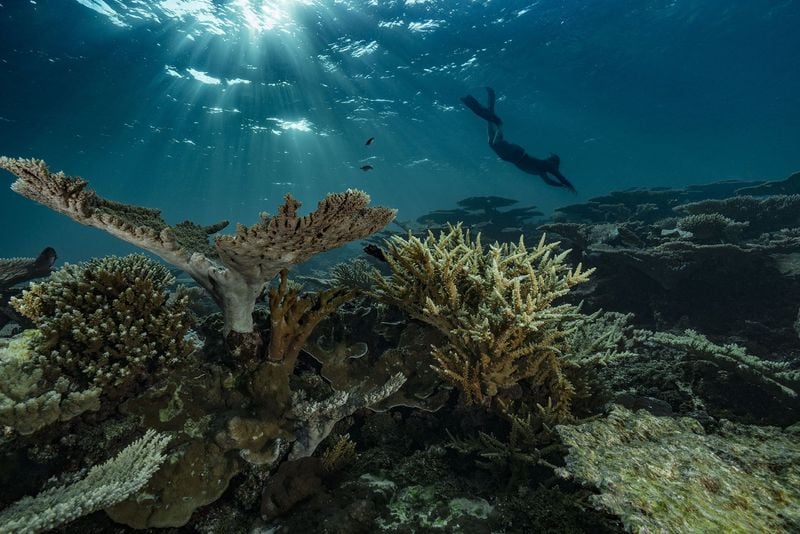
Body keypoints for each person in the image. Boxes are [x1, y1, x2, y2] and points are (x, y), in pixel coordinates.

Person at [461, 87, 577, 193]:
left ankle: (488, 98)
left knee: (495, 128)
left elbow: (555, 179)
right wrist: (565, 185)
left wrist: (566, 185)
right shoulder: (543, 169)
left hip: (512, 155)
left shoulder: (547, 168)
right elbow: (552, 181)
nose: (547, 158)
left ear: (554, 161)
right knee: (493, 125)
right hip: (511, 155)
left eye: (550, 158)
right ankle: (487, 99)